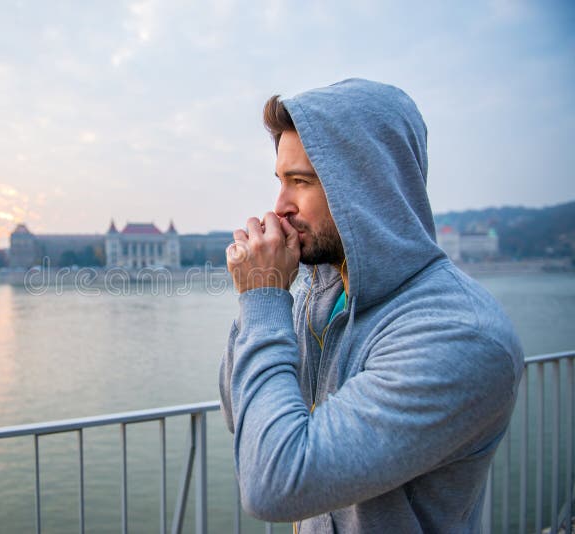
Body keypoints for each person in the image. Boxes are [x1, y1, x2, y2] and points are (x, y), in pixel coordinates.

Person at [219, 78, 523, 533]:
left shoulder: (460, 335)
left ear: (366, 188)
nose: (278, 207)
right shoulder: (324, 296)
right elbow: (238, 411)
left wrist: (263, 297)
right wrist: (262, 298)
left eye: (300, 182)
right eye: (281, 181)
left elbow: (274, 483)